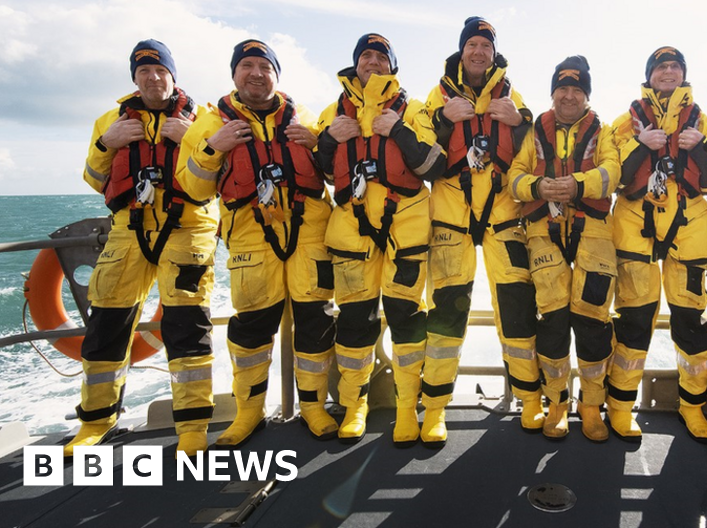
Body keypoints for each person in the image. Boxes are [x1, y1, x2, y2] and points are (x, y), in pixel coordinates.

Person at [177, 39, 337, 448]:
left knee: (316, 320)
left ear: (276, 75)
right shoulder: (210, 125)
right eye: (247, 65)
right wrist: (216, 149)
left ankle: (314, 407)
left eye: (264, 67)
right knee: (251, 327)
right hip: (251, 237)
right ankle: (250, 412)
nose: (256, 73)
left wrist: (318, 143)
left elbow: (332, 172)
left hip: (309, 234)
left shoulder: (305, 117)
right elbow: (192, 188)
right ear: (234, 74)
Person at [71, 39, 217, 458]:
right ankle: (95, 422)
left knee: (188, 327)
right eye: (144, 72)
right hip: (128, 230)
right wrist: (107, 144)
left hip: (187, 229)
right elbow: (93, 176)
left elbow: (219, 175)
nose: (153, 78)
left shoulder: (203, 119)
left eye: (160, 71)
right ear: (134, 78)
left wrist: (194, 140)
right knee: (107, 324)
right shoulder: (107, 121)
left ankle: (192, 426)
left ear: (174, 75)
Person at [314, 33, 445, 447]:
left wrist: (400, 131)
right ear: (356, 64)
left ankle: (409, 409)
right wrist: (330, 138)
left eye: (380, 56)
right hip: (351, 229)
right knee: (355, 321)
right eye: (365, 56)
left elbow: (433, 164)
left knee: (407, 318)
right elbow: (316, 171)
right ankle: (355, 407)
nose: (372, 62)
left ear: (392, 65)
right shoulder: (331, 112)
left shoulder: (416, 109)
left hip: (405, 225)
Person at [421, 17, 540, 445]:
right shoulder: (433, 97)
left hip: (504, 218)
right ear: (461, 50)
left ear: (493, 53)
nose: (478, 52)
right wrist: (440, 118)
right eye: (471, 44)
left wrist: (521, 119)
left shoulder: (514, 97)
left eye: (485, 46)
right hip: (451, 217)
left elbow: (533, 153)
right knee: (447, 315)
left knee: (517, 310)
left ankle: (530, 400)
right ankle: (434, 409)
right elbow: (417, 153)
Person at [608, 47, 707, 443]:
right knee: (634, 321)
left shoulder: (706, 124)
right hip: (635, 229)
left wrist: (702, 147)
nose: (669, 72)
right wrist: (642, 143)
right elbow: (616, 179)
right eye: (661, 67)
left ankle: (693, 408)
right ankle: (620, 408)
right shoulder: (624, 124)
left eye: (676, 66)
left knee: (691, 322)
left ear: (684, 75)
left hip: (690, 229)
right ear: (649, 75)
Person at [508, 56, 620, 440]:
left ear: (586, 96)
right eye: (562, 89)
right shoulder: (534, 131)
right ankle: (556, 403)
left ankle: (591, 407)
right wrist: (537, 187)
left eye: (577, 90)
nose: (569, 96)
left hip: (594, 235)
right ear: (553, 93)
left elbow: (612, 171)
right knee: (553, 322)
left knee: (592, 321)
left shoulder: (604, 131)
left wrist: (579, 184)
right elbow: (514, 178)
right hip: (544, 232)